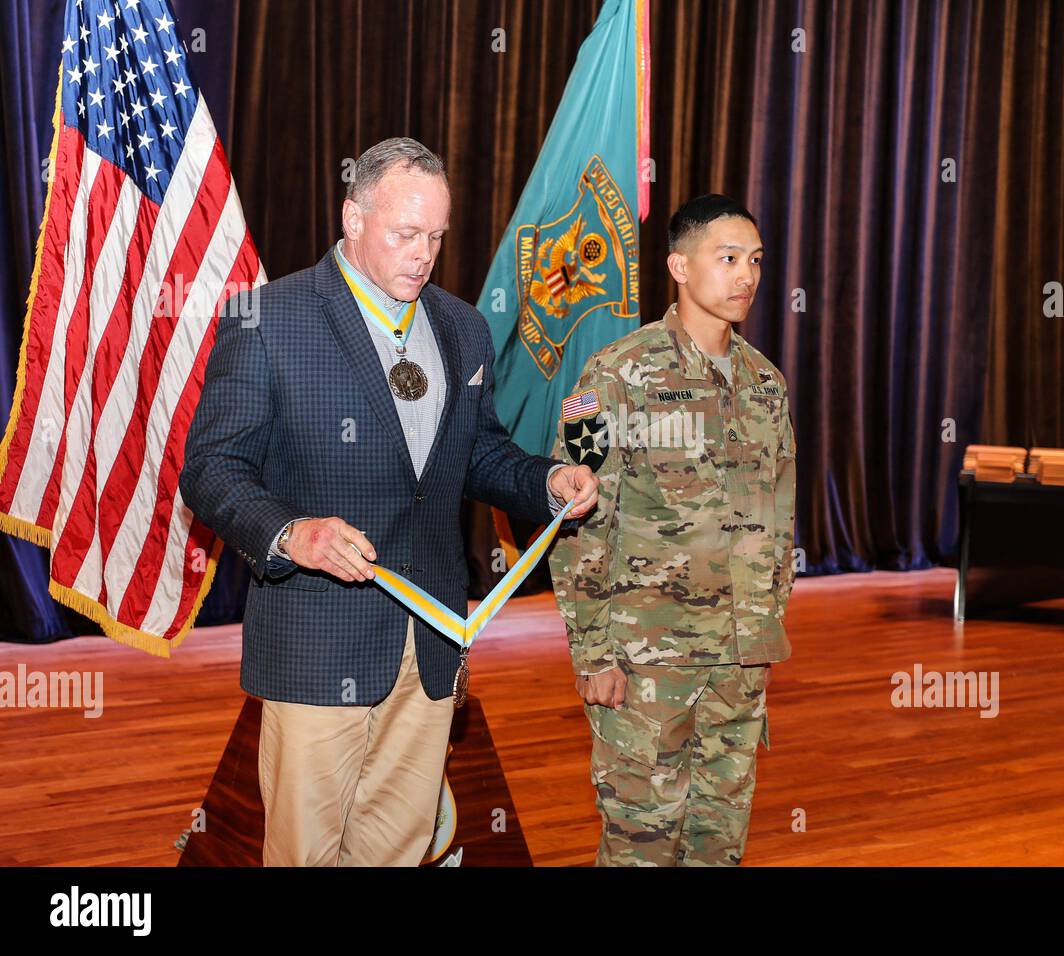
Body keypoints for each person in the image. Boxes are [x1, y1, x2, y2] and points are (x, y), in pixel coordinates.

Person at [180, 137, 597, 866]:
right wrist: (292, 533)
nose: (423, 254)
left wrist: (544, 481)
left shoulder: (462, 326)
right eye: (406, 234)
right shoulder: (267, 320)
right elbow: (212, 469)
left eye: (436, 236)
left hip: (430, 643)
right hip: (318, 643)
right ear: (351, 216)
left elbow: (477, 454)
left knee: (399, 851)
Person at [548, 194, 797, 866]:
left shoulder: (765, 386)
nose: (746, 275)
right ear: (679, 266)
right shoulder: (616, 375)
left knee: (719, 842)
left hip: (739, 664)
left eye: (755, 260)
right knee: (641, 840)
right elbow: (578, 529)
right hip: (644, 667)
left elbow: (777, 525)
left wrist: (766, 630)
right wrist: (592, 655)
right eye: (728, 258)